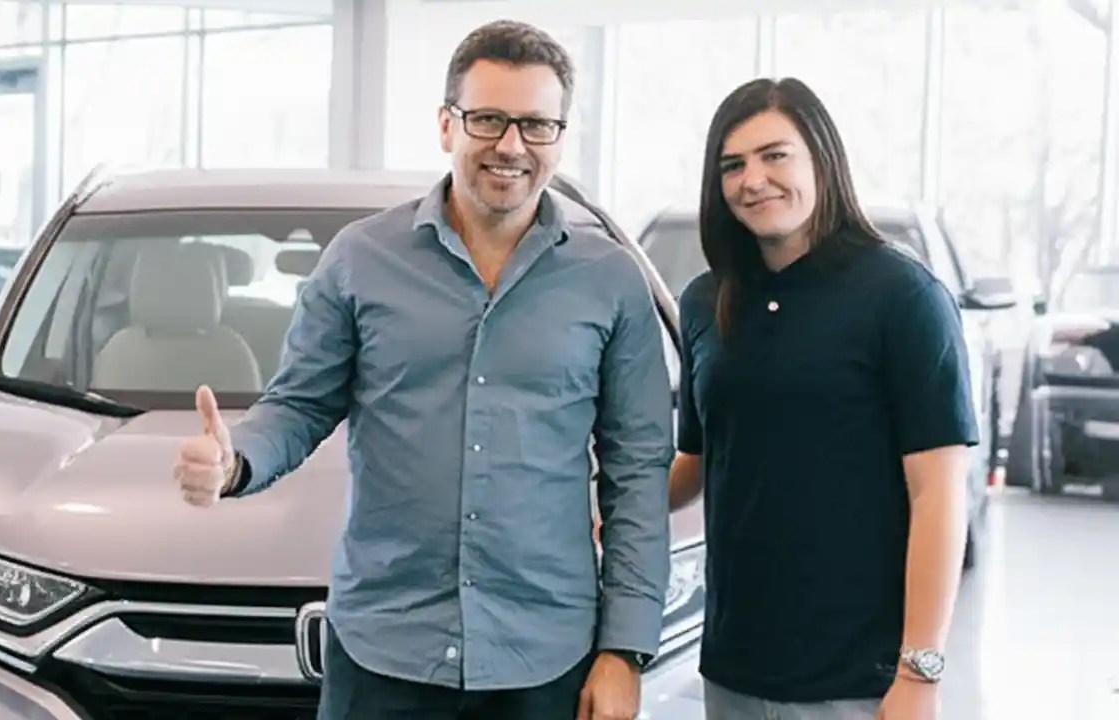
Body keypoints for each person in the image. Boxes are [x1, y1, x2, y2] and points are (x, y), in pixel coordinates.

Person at [174, 19, 673, 720]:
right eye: (489, 119)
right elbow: (299, 406)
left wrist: (624, 652)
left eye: (536, 125)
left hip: (545, 655)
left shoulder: (610, 279)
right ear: (446, 126)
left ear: (560, 137)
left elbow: (637, 471)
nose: (510, 145)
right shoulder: (359, 259)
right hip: (384, 647)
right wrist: (236, 463)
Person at [668, 77, 977, 720]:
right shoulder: (705, 301)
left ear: (821, 159)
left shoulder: (902, 297)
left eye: (774, 155)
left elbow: (939, 492)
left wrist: (920, 673)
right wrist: (594, 508)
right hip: (733, 669)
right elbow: (697, 461)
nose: (753, 180)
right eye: (732, 165)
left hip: (858, 682)